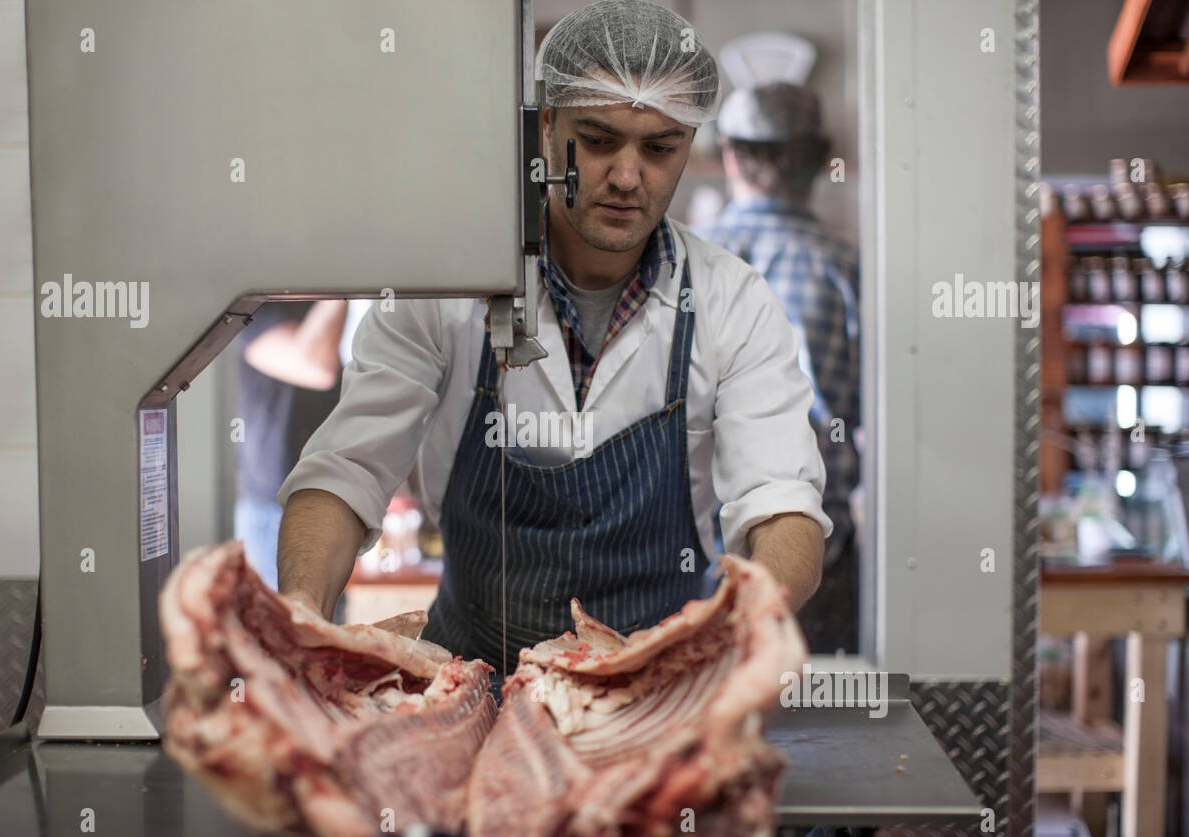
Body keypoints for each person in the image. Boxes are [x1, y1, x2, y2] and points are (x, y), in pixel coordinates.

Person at [276, 0, 831, 675]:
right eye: (598, 140)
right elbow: (345, 471)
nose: (628, 176)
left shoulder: (731, 302)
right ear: (544, 126)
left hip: (655, 694)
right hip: (468, 687)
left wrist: (740, 637)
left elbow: (780, 505)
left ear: (690, 143)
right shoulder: (449, 288)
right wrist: (302, 614)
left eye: (660, 148)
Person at [697, 82, 861, 655]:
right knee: (811, 728)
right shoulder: (848, 269)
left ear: (730, 154)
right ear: (818, 157)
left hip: (691, 552)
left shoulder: (680, 262)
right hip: (819, 554)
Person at [234, 299, 350, 590]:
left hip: (332, 499)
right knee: (282, 631)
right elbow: (316, 366)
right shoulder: (254, 306)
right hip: (273, 511)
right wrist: (341, 290)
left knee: (323, 630)